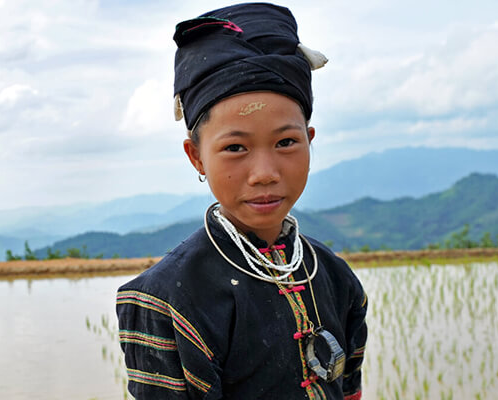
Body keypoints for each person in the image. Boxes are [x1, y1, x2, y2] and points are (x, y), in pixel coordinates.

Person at [115, 3, 367, 399]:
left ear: (310, 142)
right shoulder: (166, 300)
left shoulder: (336, 277)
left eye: (286, 142)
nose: (265, 172)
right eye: (235, 147)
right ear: (196, 156)